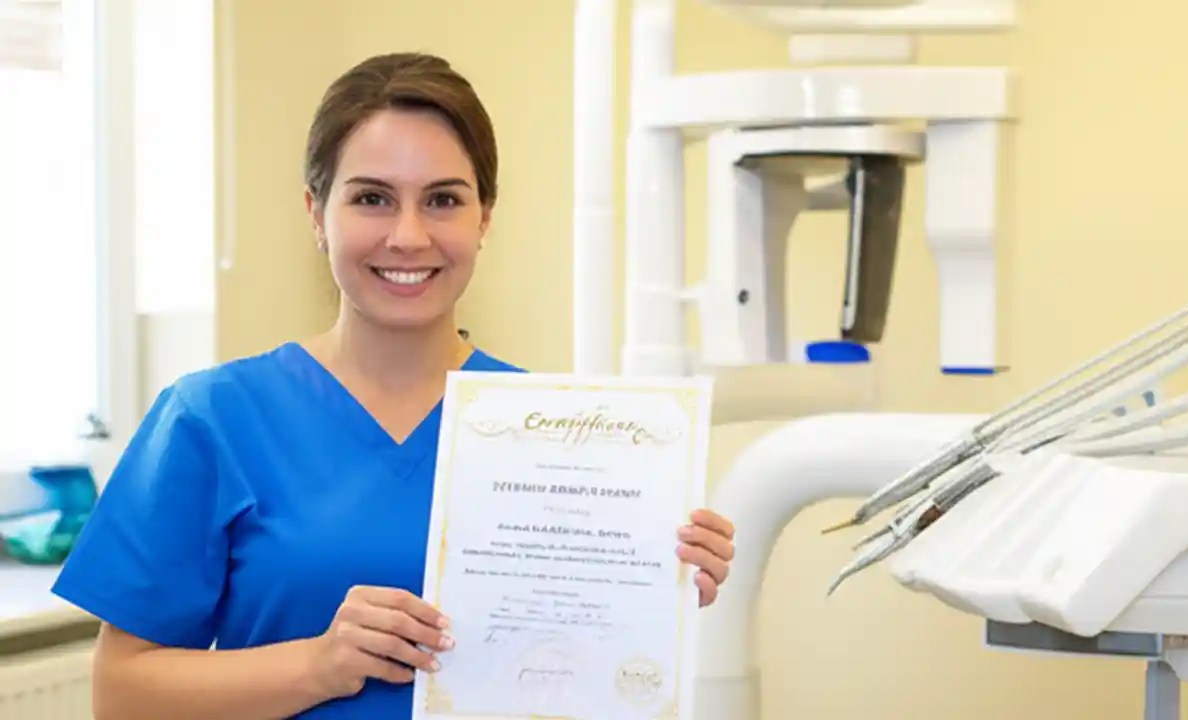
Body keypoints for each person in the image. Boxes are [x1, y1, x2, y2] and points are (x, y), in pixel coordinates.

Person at [51, 52, 738, 720]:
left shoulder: (556, 435)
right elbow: (123, 693)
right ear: (316, 213)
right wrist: (320, 666)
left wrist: (655, 589)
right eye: (373, 198)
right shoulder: (212, 420)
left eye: (443, 200)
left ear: (485, 218)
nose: (409, 236)